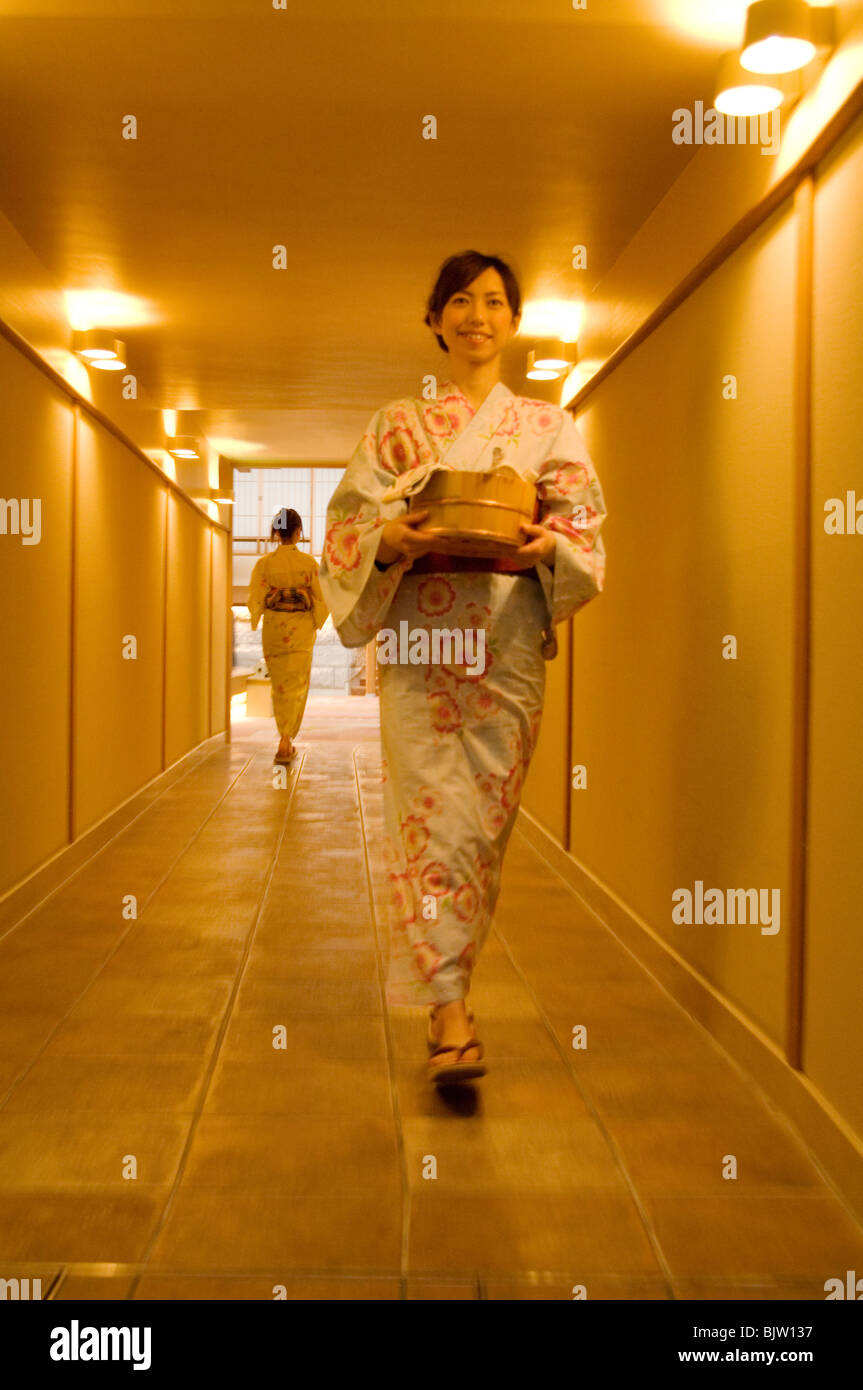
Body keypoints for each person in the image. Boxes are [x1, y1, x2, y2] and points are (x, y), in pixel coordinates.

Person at [319, 250, 607, 1084]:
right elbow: (349, 531)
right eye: (458, 302)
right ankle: (448, 1011)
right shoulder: (394, 424)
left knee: (480, 823)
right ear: (434, 319)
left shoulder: (550, 426)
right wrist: (389, 540)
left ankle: (454, 986)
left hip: (507, 638)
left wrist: (547, 542)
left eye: (491, 302)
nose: (475, 316)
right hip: (420, 640)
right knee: (425, 813)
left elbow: (583, 533)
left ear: (513, 321)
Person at [247, 508, 328, 763]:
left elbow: (255, 599)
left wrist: (258, 614)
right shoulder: (309, 564)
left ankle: (283, 738)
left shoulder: (264, 564)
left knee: (279, 686)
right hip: (301, 631)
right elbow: (320, 598)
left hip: (273, 629)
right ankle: (286, 739)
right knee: (297, 685)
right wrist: (314, 618)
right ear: (297, 531)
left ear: (276, 532)